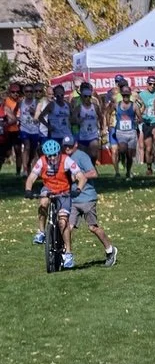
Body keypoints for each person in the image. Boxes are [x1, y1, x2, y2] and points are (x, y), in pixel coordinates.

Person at [25, 139, 86, 268]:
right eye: (49, 156)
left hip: (64, 192)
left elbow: (81, 176)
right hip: (48, 189)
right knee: (43, 203)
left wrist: (78, 189)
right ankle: (41, 232)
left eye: (54, 155)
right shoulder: (41, 161)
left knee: (63, 221)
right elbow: (31, 177)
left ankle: (68, 253)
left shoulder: (67, 160)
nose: (52, 158)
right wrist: (28, 190)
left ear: (59, 153)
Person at [61, 136, 117, 266]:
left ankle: (110, 249)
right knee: (67, 227)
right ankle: (66, 255)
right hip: (73, 199)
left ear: (75, 145)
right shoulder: (65, 159)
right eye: (65, 146)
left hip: (87, 198)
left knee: (93, 227)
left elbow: (94, 173)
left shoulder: (81, 156)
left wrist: (79, 177)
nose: (67, 148)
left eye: (69, 145)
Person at [111, 84, 141, 179]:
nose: (126, 97)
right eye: (124, 95)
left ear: (130, 95)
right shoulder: (117, 105)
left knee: (130, 155)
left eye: (127, 95)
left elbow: (140, 118)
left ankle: (128, 172)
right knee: (123, 149)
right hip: (120, 132)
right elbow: (107, 112)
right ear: (121, 95)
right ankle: (121, 158)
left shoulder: (134, 106)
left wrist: (138, 120)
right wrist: (108, 123)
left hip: (131, 132)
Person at [72, 82, 104, 161]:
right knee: (83, 155)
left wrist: (101, 127)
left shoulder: (95, 106)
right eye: (85, 96)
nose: (87, 98)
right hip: (82, 135)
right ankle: (86, 169)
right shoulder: (78, 107)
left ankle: (92, 166)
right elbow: (72, 118)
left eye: (89, 96)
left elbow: (101, 116)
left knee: (94, 154)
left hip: (93, 134)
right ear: (82, 96)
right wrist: (78, 121)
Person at [136, 75, 155, 175]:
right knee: (149, 148)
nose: (152, 86)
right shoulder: (142, 95)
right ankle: (149, 167)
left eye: (154, 84)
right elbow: (137, 107)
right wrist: (139, 116)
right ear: (147, 84)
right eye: (150, 84)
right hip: (146, 123)